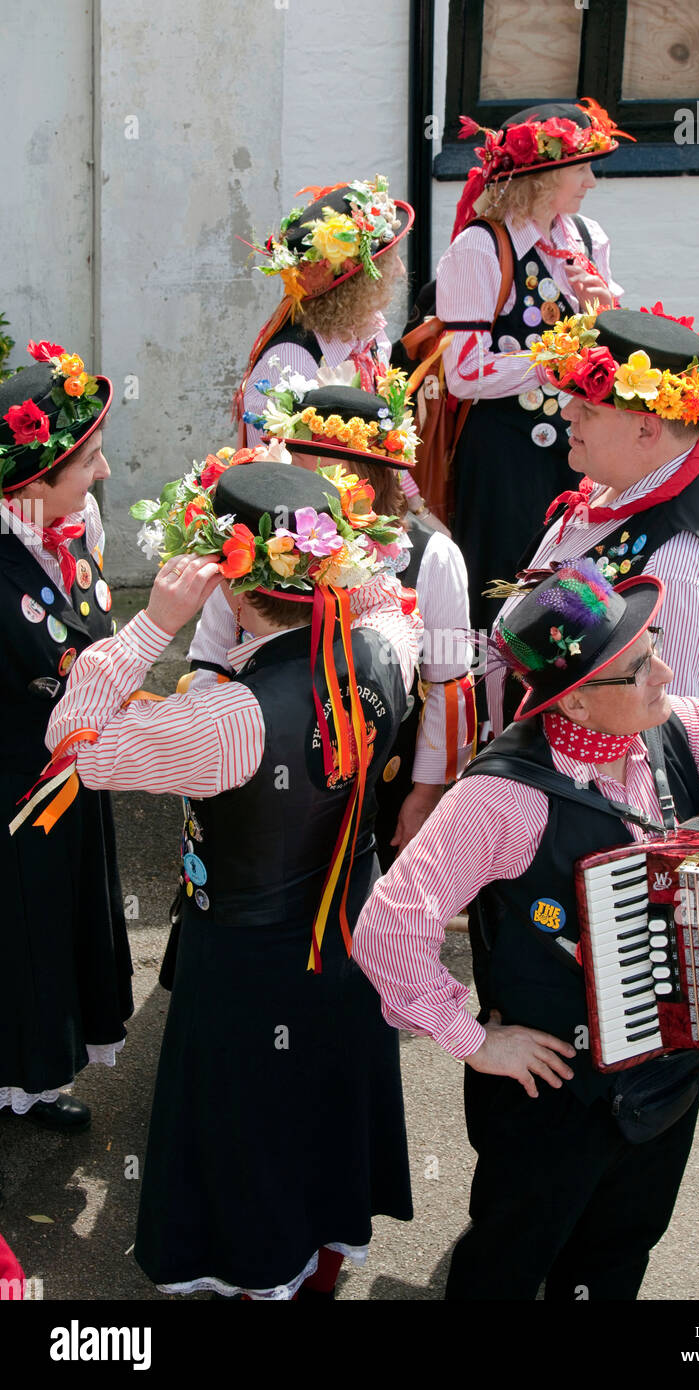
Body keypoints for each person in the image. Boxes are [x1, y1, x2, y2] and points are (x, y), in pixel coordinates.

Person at [353, 560, 699, 1301]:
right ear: (578, 705)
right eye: (641, 665)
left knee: (618, 1260)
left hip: (670, 1078)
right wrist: (475, 1039)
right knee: (507, 1264)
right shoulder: (500, 797)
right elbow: (388, 929)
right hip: (555, 1098)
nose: (667, 671)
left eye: (651, 646)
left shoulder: (674, 727)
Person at [48, 458, 422, 1299]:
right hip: (347, 929)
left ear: (225, 577)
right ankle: (317, 1249)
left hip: (249, 956)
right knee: (319, 1100)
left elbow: (70, 743)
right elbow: (378, 601)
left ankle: (256, 1268)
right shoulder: (390, 648)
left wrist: (153, 624)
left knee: (248, 1124)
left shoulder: (224, 717)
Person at [190, 374, 475, 864]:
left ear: (368, 477)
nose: (293, 480)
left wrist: (427, 794)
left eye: (313, 467)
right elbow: (210, 663)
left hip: (378, 778)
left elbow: (449, 682)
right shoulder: (253, 546)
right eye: (292, 460)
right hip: (259, 767)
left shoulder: (433, 558)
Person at [486, 304, 699, 733]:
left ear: (646, 431)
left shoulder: (677, 569)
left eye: (589, 409)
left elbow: (658, 734)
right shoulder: (645, 472)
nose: (567, 414)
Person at [437, 99, 631, 638]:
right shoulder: (479, 248)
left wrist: (602, 313)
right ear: (542, 174)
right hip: (504, 458)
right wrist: (552, 360)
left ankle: (566, 706)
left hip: (580, 452)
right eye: (581, 167)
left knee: (578, 593)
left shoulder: (588, 239)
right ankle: (490, 715)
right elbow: (464, 374)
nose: (591, 181)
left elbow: (612, 356)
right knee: (502, 588)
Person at [0, 338, 131, 1132]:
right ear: (29, 485)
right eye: (87, 464)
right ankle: (17, 1080)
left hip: (68, 775)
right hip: (14, 792)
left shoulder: (73, 527)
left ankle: (36, 1073)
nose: (105, 475)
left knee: (57, 922)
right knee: (19, 928)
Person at [235, 174, 435, 520]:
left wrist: (415, 507)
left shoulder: (371, 338)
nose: (401, 271)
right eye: (389, 262)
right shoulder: (292, 360)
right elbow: (279, 479)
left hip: (367, 517)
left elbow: (386, 438)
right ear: (357, 282)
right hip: (316, 530)